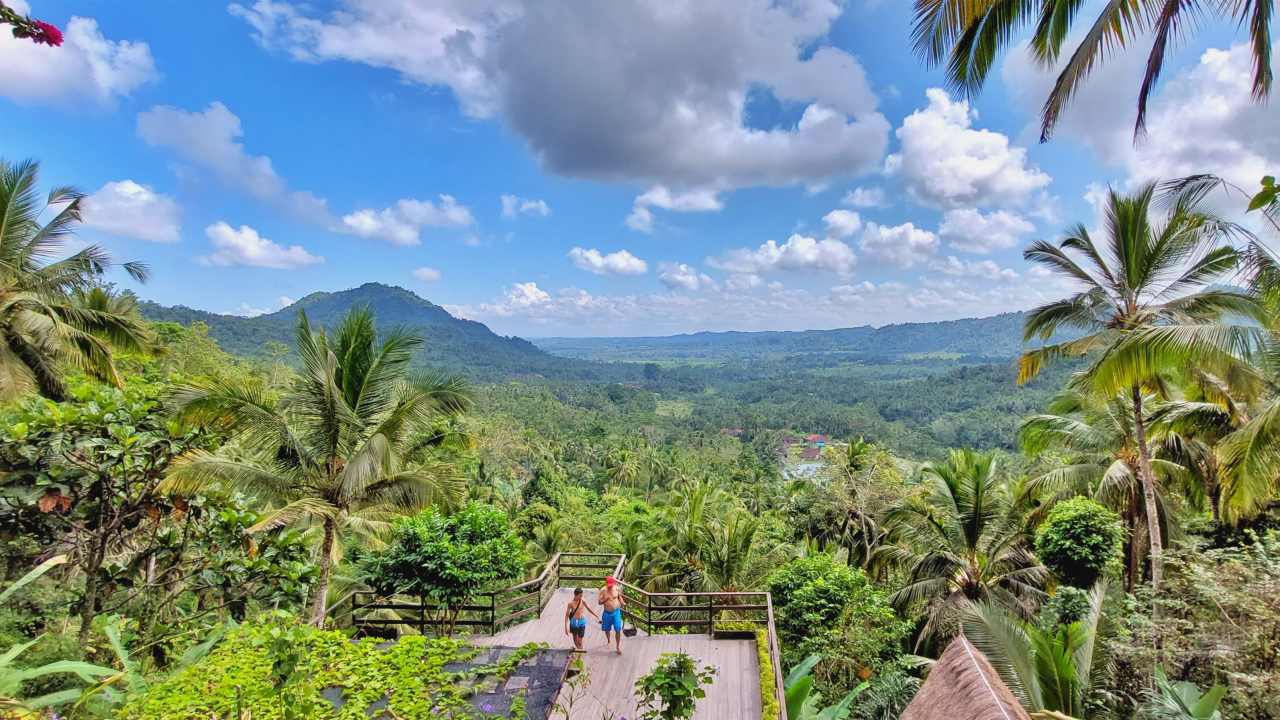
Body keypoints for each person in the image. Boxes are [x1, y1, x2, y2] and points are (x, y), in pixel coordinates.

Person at [564, 587, 598, 651]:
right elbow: (566, 615)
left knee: (580, 640)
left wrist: (595, 615)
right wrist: (565, 627)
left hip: (581, 621)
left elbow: (588, 608)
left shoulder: (582, 601)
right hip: (574, 622)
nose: (581, 597)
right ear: (575, 595)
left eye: (582, 595)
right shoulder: (570, 603)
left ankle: (579, 649)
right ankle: (579, 649)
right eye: (580, 595)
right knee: (575, 637)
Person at [598, 575, 625, 655]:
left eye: (611, 585)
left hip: (616, 612)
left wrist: (622, 602)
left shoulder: (617, 588)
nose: (610, 587)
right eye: (608, 585)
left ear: (614, 583)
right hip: (607, 613)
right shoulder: (603, 590)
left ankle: (617, 647)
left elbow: (619, 597)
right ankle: (608, 640)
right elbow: (599, 602)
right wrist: (605, 599)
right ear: (606, 583)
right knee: (607, 629)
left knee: (618, 629)